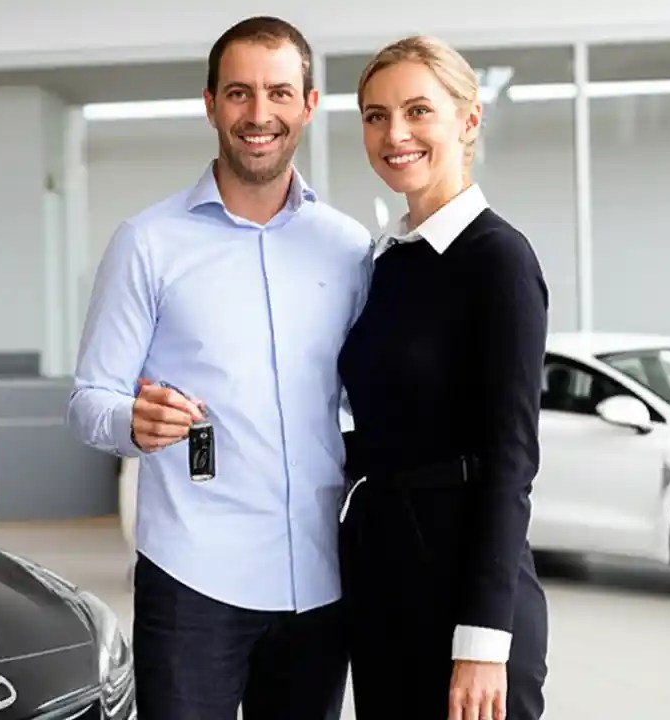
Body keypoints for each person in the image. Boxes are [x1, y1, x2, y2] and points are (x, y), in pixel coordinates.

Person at [67, 16, 373, 720]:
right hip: (192, 580)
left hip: (320, 582)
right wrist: (133, 423)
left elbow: (368, 398)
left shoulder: (348, 248)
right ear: (210, 104)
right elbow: (89, 400)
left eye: (277, 93)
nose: (258, 115)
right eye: (238, 94)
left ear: (308, 104)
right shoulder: (148, 243)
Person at [336, 35, 550, 720]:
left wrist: (484, 639)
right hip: (386, 583)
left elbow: (511, 460)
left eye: (417, 110)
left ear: (468, 119)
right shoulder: (387, 264)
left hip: (467, 595)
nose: (394, 133)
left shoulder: (499, 259)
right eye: (375, 115)